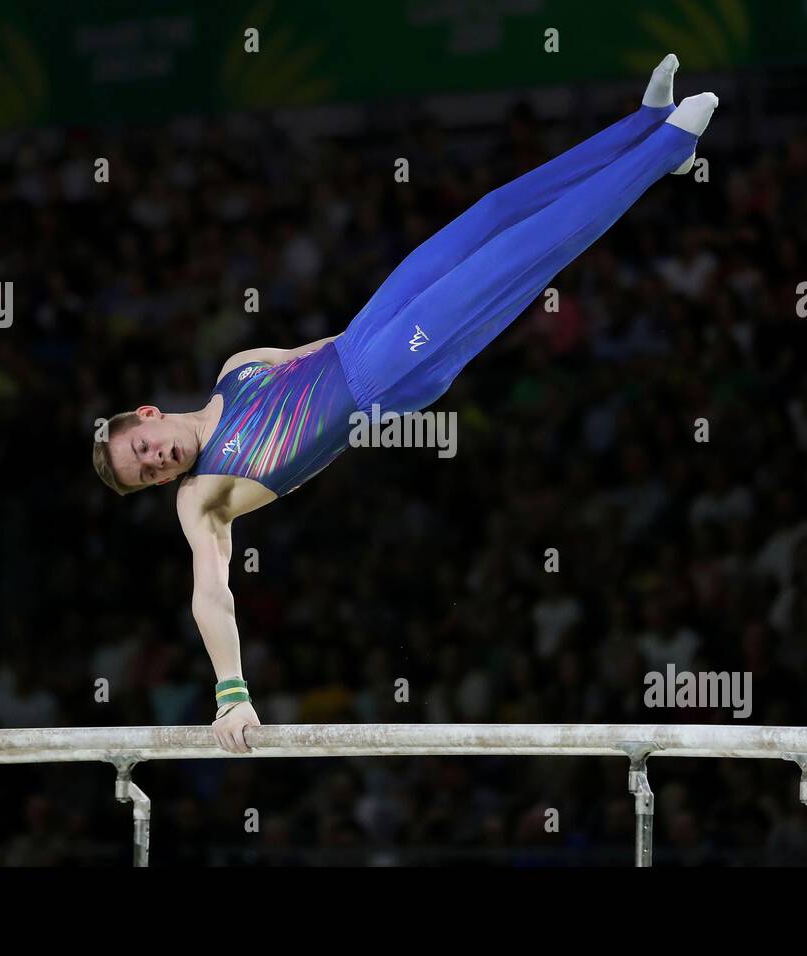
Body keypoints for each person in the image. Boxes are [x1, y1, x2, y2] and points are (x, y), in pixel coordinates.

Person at [91, 55, 718, 753]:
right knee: (520, 254)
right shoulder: (201, 498)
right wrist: (231, 695)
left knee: (492, 217)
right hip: (380, 383)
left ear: (147, 415)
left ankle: (644, 125)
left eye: (142, 452)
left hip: (367, 335)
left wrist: (389, 320)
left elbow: (322, 346)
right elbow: (210, 594)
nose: (157, 464)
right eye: (146, 475)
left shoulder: (237, 367)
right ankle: (670, 146)